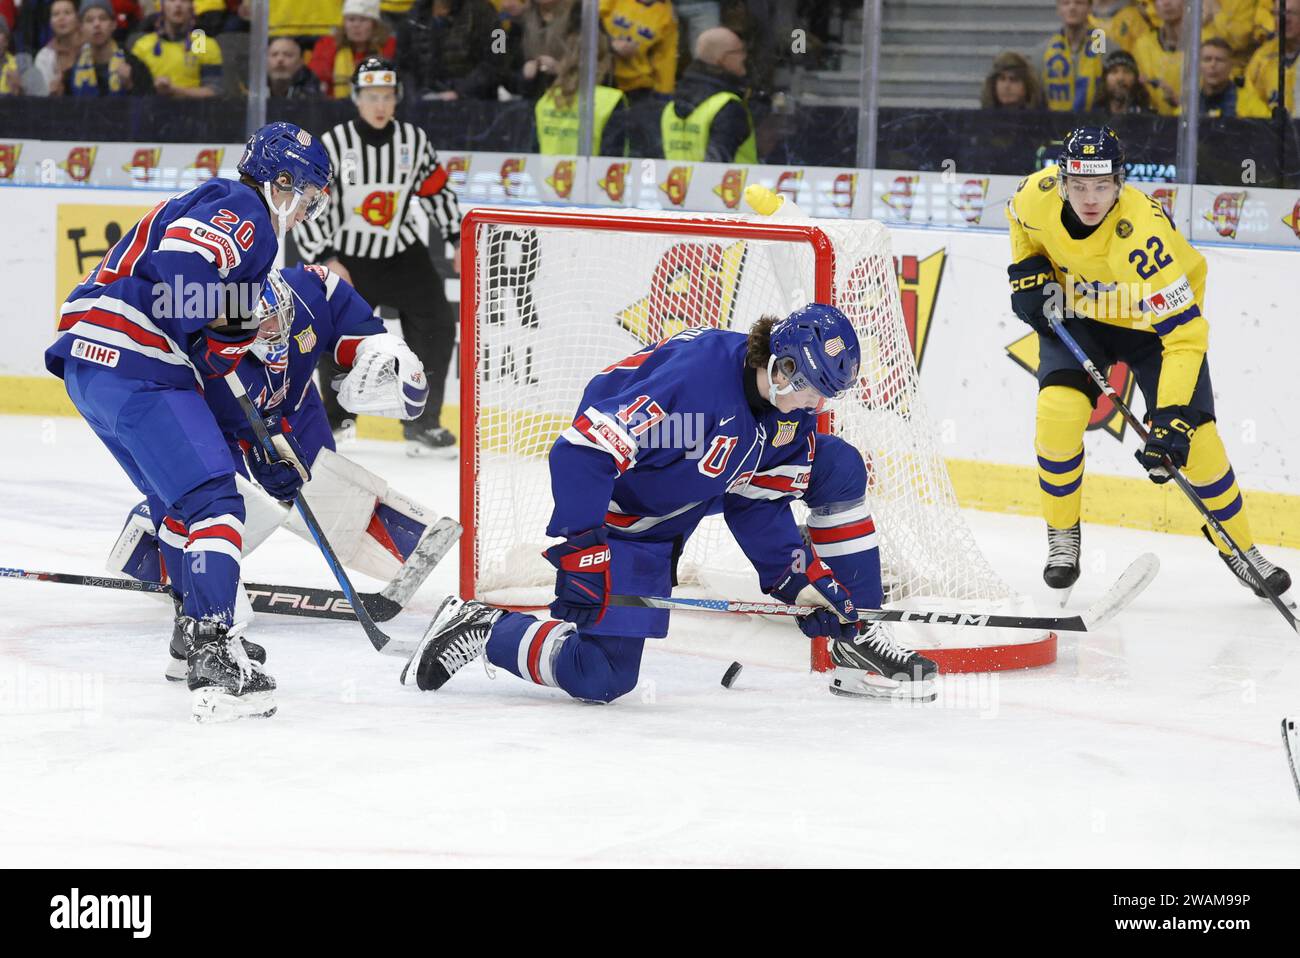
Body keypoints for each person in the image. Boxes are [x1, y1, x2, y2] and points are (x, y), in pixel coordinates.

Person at [401, 305, 939, 704]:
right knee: (603, 677)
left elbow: (757, 498)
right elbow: (581, 452)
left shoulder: (787, 410)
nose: (816, 405)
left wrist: (801, 585)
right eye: (811, 390)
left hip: (697, 489)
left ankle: (859, 635)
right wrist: (584, 549)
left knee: (838, 464)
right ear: (781, 368)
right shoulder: (693, 385)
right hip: (632, 515)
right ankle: (481, 627)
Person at [43, 121, 332, 722]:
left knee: (181, 503)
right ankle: (213, 649)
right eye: (306, 193)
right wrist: (248, 315)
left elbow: (208, 367)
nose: (307, 209)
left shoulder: (243, 230)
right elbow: (177, 287)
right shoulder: (240, 207)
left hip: (102, 370)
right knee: (215, 507)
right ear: (280, 180)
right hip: (135, 361)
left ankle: (189, 639)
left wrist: (259, 451)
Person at [1004, 126, 1292, 603]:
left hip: (1156, 330)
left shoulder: (1143, 238)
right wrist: (1026, 271)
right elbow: (1021, 223)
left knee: (1198, 444)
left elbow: (1185, 335)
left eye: (1102, 186)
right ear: (1062, 181)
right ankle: (1062, 536)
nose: (1090, 198)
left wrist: (1172, 418)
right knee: (1057, 414)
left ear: (1120, 182)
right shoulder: (1036, 195)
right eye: (1079, 186)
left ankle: (1240, 548)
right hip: (1080, 315)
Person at [292, 57, 462, 456]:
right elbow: (314, 203)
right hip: (350, 256)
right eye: (372, 96)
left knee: (436, 324)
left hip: (403, 252)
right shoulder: (335, 144)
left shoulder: (414, 141)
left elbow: (437, 192)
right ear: (356, 98)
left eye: (387, 96)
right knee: (336, 335)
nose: (380, 105)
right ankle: (336, 421)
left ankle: (422, 424)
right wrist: (328, 256)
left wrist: (456, 236)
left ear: (396, 99)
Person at [660, 26, 754, 163]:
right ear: (722, 59)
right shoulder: (727, 106)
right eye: (739, 51)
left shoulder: (671, 106)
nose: (744, 57)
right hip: (733, 184)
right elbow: (718, 165)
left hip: (681, 184)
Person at [532, 27, 629, 155]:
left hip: (548, 175)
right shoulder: (610, 101)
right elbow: (615, 156)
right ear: (605, 61)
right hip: (593, 175)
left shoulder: (546, 99)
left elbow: (534, 153)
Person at [398, 0, 501, 100]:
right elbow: (403, 65)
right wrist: (413, 96)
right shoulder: (414, 16)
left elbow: (496, 63)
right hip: (423, 103)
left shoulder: (486, 12)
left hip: (473, 104)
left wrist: (459, 92)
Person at [130, 0, 222, 98]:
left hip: (194, 111)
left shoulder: (204, 44)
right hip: (151, 110)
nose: (178, 4)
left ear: (192, 7)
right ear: (162, 7)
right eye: (172, 0)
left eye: (184, 1)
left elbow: (214, 92)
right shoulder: (142, 45)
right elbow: (134, 92)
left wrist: (174, 91)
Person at [62, 0, 152, 95]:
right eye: (89, 20)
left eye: (103, 18)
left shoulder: (134, 66)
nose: (96, 24)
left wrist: (129, 86)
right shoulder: (72, 75)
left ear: (113, 24)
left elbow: (149, 106)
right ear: (81, 28)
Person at [309, 0, 395, 98]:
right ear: (344, 24)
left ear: (374, 25)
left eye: (363, 20)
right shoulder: (328, 45)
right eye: (351, 19)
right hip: (335, 108)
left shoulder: (389, 47)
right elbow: (316, 79)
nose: (356, 25)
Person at [1038, 0, 1108, 112]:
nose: (1072, 8)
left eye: (1079, 3)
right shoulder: (1043, 52)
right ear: (1058, 9)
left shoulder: (1107, 48)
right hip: (1054, 124)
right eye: (1066, 3)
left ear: (1090, 8)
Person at [600, 0, 678, 100]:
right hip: (600, 75)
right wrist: (609, 44)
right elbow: (586, 24)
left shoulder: (666, 16)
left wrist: (664, 92)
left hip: (636, 83)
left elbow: (666, 57)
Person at [1238, 0, 1299, 118]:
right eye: (1278, 14)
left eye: (1290, 13)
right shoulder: (1262, 56)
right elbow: (1247, 98)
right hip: (1268, 131)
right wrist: (1271, 122)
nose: (1284, 19)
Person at [1132, 0, 1186, 114]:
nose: (1167, 3)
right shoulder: (1142, 45)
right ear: (1155, 6)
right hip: (1152, 123)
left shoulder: (1203, 43)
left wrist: (1179, 104)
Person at [29, 0, 80, 95]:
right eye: (56, 14)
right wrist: (51, 94)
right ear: (50, 22)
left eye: (67, 13)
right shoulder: (44, 56)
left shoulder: (90, 48)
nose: (61, 18)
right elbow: (40, 96)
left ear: (77, 18)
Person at [979, 51, 1045, 109]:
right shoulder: (981, 120)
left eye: (1014, 80)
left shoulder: (1042, 120)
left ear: (1027, 85)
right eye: (1002, 79)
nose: (1006, 86)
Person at [1098, 47, 1154, 113]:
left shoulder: (1149, 118)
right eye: (1114, 71)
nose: (1120, 78)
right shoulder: (1094, 118)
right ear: (1105, 78)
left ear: (1135, 79)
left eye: (1127, 71)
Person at [1199, 35, 1241, 115]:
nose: (1213, 65)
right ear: (1199, 65)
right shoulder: (1190, 105)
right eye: (1207, 59)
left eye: (1219, 60)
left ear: (1230, 66)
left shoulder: (1246, 103)